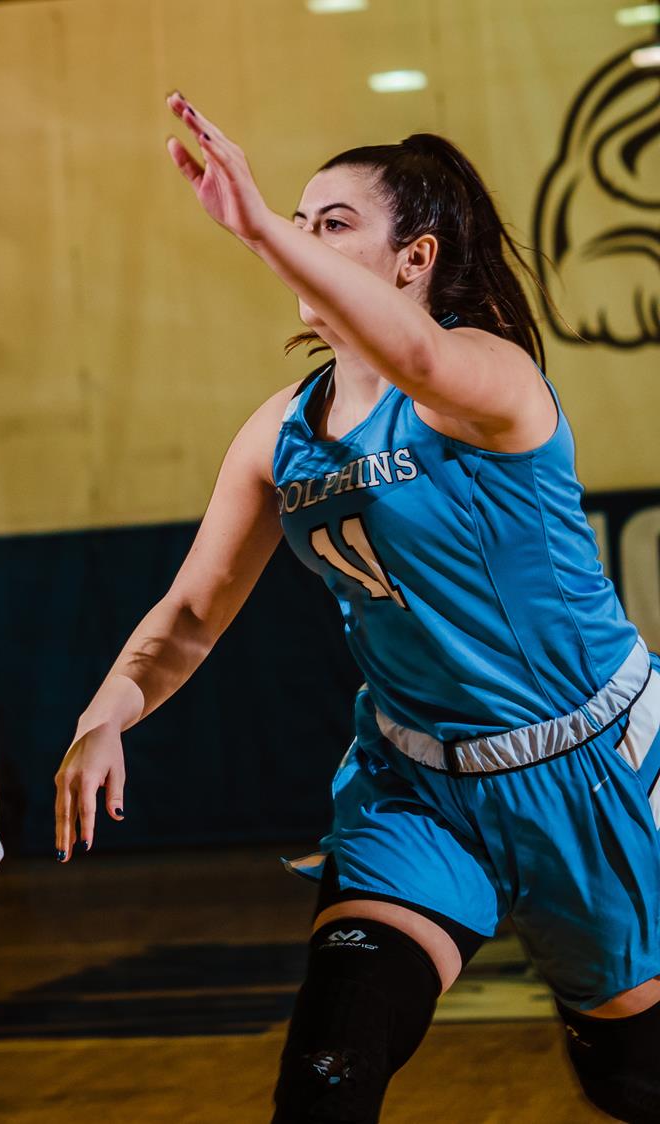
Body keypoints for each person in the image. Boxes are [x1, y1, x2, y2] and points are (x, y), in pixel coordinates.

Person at [54, 96, 660, 1123]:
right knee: (329, 1067)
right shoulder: (278, 432)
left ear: (414, 259)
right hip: (413, 783)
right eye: (297, 220)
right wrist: (104, 712)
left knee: (631, 1080)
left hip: (587, 767)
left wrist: (257, 228)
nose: (300, 238)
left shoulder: (486, 378)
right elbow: (191, 612)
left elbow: (418, 360)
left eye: (330, 224)